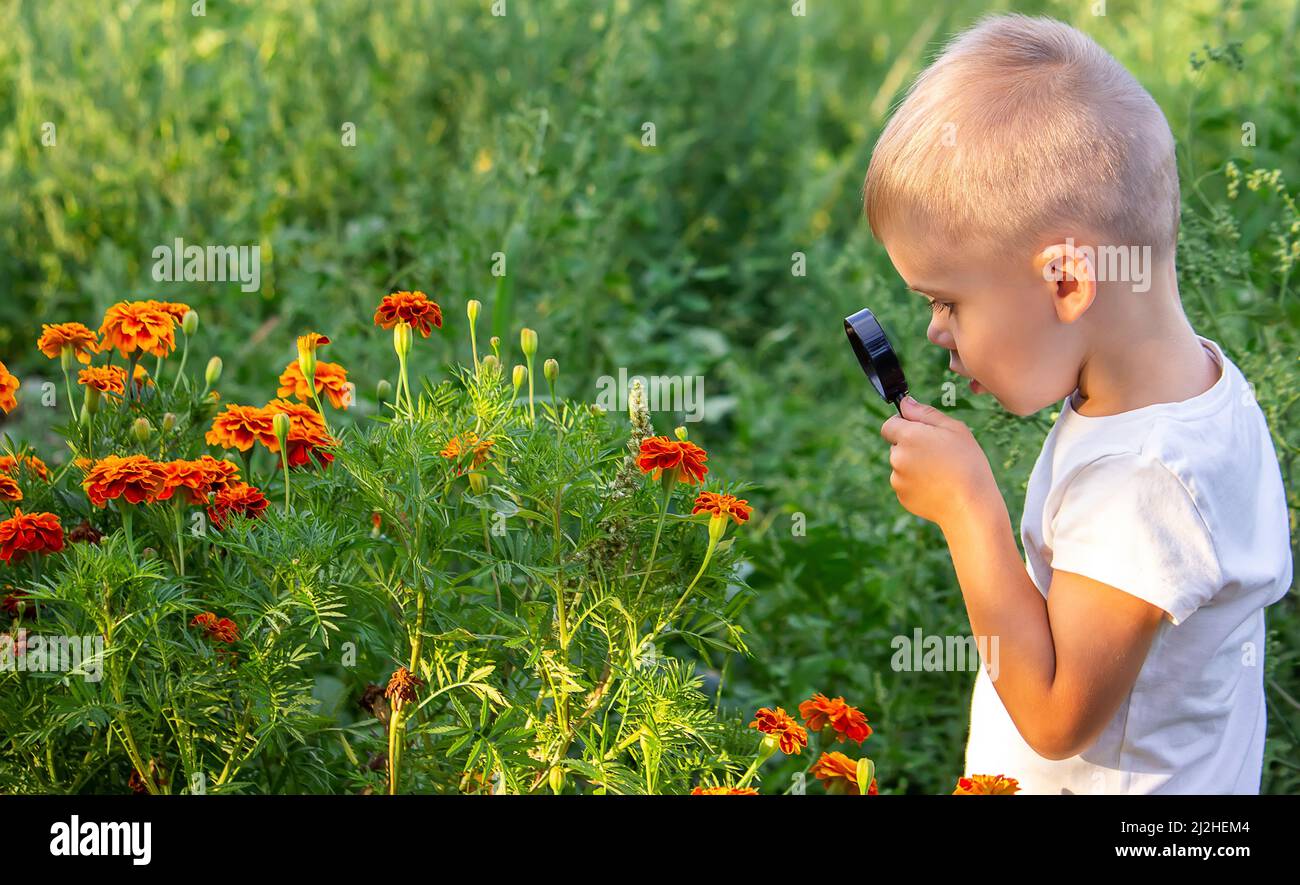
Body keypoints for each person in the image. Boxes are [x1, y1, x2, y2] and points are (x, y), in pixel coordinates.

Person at [868, 13, 1293, 793]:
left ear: (1067, 281)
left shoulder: (1144, 482)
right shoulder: (1195, 388)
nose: (934, 332)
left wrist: (969, 510)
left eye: (948, 301)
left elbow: (1057, 718)